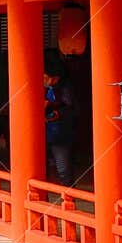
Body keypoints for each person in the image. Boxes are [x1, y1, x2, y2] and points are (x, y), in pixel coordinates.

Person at [43, 56, 75, 185]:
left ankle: (68, 200)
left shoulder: (66, 89)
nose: (49, 82)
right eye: (45, 78)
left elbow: (72, 109)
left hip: (59, 134)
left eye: (53, 79)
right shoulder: (37, 86)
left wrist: (56, 112)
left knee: (63, 170)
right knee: (40, 170)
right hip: (41, 133)